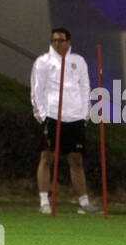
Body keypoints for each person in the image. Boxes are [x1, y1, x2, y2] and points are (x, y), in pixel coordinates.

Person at [31, 28, 101, 214]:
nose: (57, 44)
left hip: (75, 118)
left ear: (68, 42)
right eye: (54, 40)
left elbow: (85, 87)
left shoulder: (78, 61)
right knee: (47, 157)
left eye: (61, 40)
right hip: (52, 116)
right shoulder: (43, 62)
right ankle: (44, 201)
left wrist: (85, 114)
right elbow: (37, 90)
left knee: (76, 159)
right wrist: (42, 116)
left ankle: (84, 203)